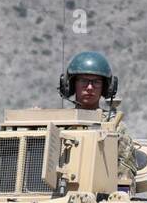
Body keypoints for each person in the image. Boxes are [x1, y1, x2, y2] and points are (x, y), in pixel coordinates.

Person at [59, 50, 138, 188]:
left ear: (106, 87)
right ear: (71, 85)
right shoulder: (60, 123)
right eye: (83, 81)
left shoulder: (115, 125)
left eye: (96, 82)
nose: (90, 87)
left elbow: (125, 176)